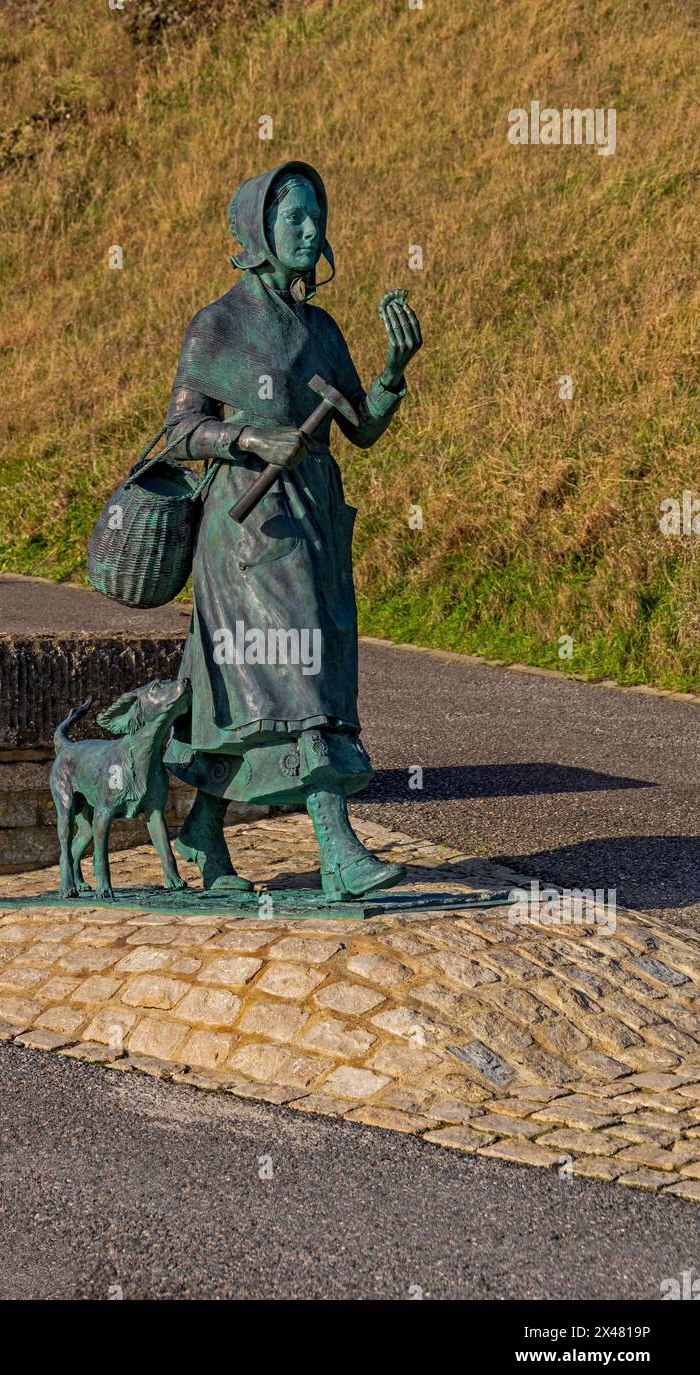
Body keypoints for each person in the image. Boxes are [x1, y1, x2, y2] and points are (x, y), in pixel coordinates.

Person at [162, 160, 422, 900]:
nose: (311, 232)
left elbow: (361, 428)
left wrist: (393, 372)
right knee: (298, 675)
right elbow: (180, 432)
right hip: (245, 530)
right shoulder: (218, 324)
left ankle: (205, 828)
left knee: (265, 681)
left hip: (313, 524)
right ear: (258, 231)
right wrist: (250, 440)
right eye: (294, 220)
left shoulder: (321, 329)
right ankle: (338, 849)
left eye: (317, 218)